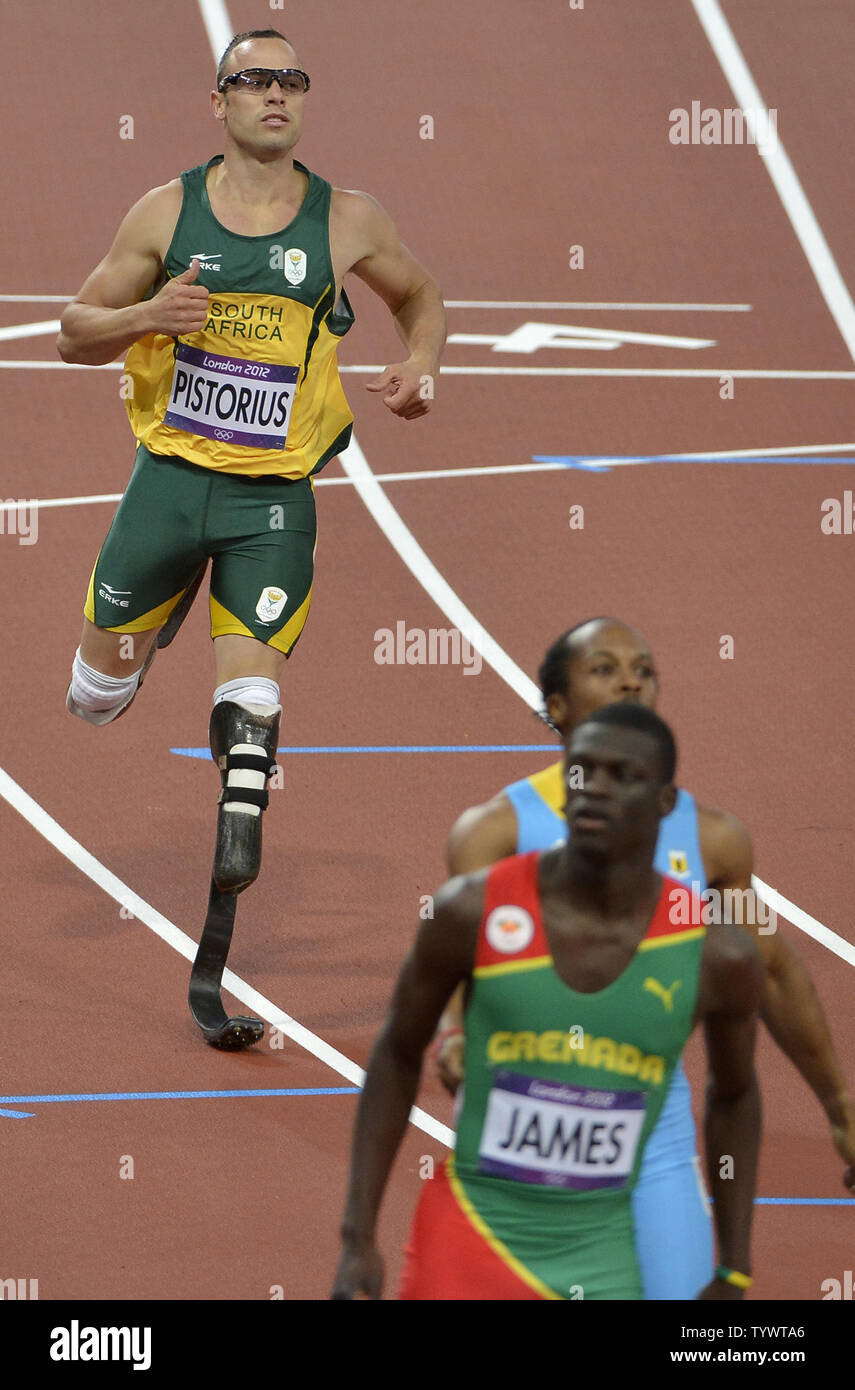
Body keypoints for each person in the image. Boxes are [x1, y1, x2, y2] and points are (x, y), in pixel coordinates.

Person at [57, 28, 445, 954]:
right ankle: (145, 642)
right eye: (253, 79)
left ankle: (241, 809)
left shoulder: (348, 218)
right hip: (168, 485)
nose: (275, 92)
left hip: (272, 501)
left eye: (291, 79)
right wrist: (150, 315)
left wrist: (421, 364)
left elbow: (419, 295)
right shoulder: (164, 213)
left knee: (255, 702)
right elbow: (73, 332)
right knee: (93, 698)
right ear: (218, 101)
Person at [434, 617, 855, 1297]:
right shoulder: (496, 834)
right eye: (603, 667)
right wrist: (453, 1035)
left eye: (642, 667)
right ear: (558, 708)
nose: (630, 677)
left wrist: (839, 1107)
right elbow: (456, 966)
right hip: (518, 1142)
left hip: (652, 1144)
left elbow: (770, 970)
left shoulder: (714, 843)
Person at [333, 703, 764, 1300]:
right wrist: (358, 1237)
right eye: (581, 770)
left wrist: (734, 1269)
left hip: (604, 1265)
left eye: (624, 776)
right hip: (467, 1249)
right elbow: (398, 1054)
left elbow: (737, 1095)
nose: (595, 789)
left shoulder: (717, 955)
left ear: (667, 803)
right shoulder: (469, 910)